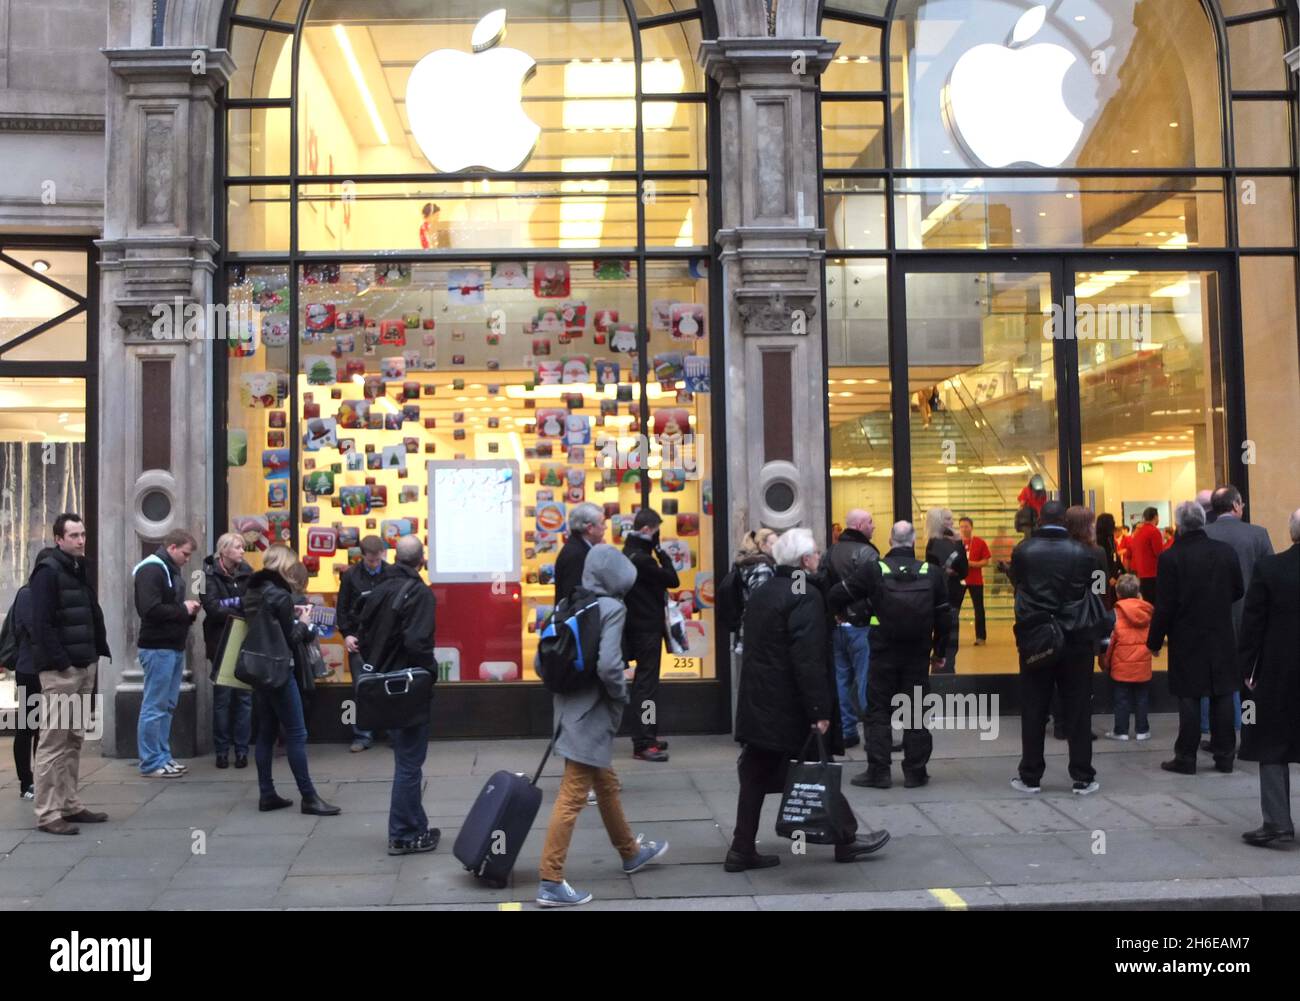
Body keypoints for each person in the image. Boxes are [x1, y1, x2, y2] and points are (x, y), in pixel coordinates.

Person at [729, 528, 889, 871]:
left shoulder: (765, 591)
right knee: (813, 768)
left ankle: (742, 849)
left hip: (760, 700)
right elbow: (808, 658)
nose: (820, 558)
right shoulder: (805, 595)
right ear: (805, 560)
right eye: (815, 553)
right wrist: (819, 709)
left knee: (761, 773)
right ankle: (845, 839)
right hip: (789, 704)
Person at [536, 544, 670, 906]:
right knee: (572, 796)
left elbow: (541, 661)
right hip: (590, 716)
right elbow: (610, 666)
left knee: (606, 784)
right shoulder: (612, 609)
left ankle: (630, 851)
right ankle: (551, 879)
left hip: (567, 711)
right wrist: (620, 693)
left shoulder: (570, 604)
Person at [832, 521, 951, 789]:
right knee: (916, 711)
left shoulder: (875, 570)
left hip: (883, 652)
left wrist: (849, 614)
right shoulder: (931, 573)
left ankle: (879, 771)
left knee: (878, 711)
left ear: (890, 540)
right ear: (913, 541)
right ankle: (916, 772)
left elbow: (837, 593)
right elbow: (945, 618)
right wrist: (940, 651)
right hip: (918, 654)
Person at [27, 514, 112, 834]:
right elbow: (42, 624)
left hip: (83, 665)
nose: (81, 540)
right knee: (53, 741)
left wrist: (92, 657)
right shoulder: (48, 573)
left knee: (74, 738)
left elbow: (88, 615)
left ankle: (69, 803)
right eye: (74, 535)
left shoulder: (77, 569)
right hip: (61, 671)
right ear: (58, 539)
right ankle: (48, 813)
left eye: (83, 533)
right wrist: (63, 663)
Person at [1009, 500, 1100, 795]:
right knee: (1077, 706)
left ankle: (1031, 774)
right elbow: (1087, 588)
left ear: (1039, 520)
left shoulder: (1024, 551)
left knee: (1034, 707)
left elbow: (1018, 582)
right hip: (1075, 635)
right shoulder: (1083, 553)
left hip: (1038, 635)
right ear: (1064, 520)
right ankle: (1082, 775)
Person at [1147, 501, 1244, 776]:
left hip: (1186, 635)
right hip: (1222, 633)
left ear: (1179, 524)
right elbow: (1238, 589)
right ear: (1203, 521)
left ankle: (1186, 757)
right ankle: (1225, 755)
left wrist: (1154, 642)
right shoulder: (1225, 552)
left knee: (1189, 696)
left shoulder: (1170, 558)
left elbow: (1164, 605)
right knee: (1223, 693)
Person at [242, 545, 340, 816]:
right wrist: (305, 622)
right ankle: (309, 797)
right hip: (281, 671)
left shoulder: (252, 592)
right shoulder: (280, 595)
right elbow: (291, 638)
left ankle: (267, 793)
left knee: (266, 733)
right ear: (286, 567)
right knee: (297, 733)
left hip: (259, 670)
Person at [358, 535, 440, 855]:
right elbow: (418, 642)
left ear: (395, 557)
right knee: (409, 762)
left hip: (382, 683)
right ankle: (404, 834)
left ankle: (416, 825)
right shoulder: (419, 594)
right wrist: (428, 672)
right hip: (407, 684)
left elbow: (362, 632)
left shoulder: (378, 590)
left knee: (405, 759)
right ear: (421, 560)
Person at [1237, 509, 1300, 846]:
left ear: (1292, 534)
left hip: (1279, 673)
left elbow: (1253, 625)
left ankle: (1277, 821)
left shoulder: (1271, 568)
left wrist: (1247, 670)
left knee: (1272, 746)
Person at [1202, 484, 1274, 743]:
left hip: (1211, 621)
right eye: (1241, 504)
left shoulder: (1202, 535)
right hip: (1250, 617)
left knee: (1217, 684)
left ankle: (1219, 736)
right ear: (1235, 505)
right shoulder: (1258, 535)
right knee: (1250, 679)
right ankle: (1250, 729)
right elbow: (1269, 577)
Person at [133, 529, 200, 779]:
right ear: (172, 547)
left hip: (171, 646)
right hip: (157, 647)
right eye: (185, 553)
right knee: (155, 706)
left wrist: (186, 612)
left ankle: (163, 756)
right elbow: (149, 609)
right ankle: (151, 761)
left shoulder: (169, 569)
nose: (186, 559)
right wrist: (183, 609)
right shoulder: (151, 569)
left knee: (166, 705)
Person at [621, 507, 679, 762]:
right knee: (646, 686)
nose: (658, 536)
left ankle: (648, 735)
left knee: (645, 685)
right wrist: (661, 552)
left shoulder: (629, 553)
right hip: (646, 628)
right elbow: (672, 579)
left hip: (638, 626)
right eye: (656, 531)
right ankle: (643, 741)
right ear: (647, 530)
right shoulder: (643, 559)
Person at [818, 509, 879, 749]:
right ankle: (875, 732)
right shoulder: (868, 553)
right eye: (871, 522)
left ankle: (846, 730)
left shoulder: (830, 552)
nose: (874, 526)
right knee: (867, 680)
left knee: (841, 680)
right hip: (861, 626)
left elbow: (822, 584)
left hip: (837, 625)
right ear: (860, 525)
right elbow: (877, 590)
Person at [201, 532, 253, 769]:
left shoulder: (248, 572)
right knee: (222, 699)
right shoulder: (205, 574)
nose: (243, 551)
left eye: (243, 547)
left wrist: (229, 605)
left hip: (243, 640)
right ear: (224, 550)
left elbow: (253, 602)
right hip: (220, 642)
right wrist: (238, 604)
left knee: (244, 698)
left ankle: (242, 750)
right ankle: (222, 751)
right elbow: (211, 608)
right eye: (238, 547)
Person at [337, 536, 390, 753]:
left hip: (385, 638)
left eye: (378, 560)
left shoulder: (391, 572)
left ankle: (392, 731)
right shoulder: (350, 576)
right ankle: (361, 735)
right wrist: (347, 635)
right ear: (363, 556)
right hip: (359, 637)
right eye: (371, 561)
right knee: (360, 689)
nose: (375, 564)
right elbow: (342, 608)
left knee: (389, 686)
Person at [1101, 575, 1153, 741]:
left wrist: (1105, 662)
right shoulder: (1148, 612)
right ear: (1138, 592)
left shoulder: (1113, 615)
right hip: (1143, 665)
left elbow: (1108, 644)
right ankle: (1142, 730)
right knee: (1142, 698)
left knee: (1121, 699)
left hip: (1121, 666)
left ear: (1118, 593)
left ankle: (1121, 730)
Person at [924, 508, 967, 674]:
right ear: (940, 522)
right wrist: (959, 543)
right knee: (948, 639)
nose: (952, 522)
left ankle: (942, 667)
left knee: (944, 636)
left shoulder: (934, 543)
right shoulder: (943, 543)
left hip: (942, 595)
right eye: (948, 519)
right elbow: (963, 569)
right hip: (948, 596)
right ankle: (945, 672)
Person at [725, 528, 777, 653]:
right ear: (762, 545)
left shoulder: (747, 564)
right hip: (758, 630)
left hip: (746, 626)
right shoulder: (762, 568)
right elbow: (762, 603)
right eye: (774, 544)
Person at [8, 585, 38, 799]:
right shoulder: (28, 594)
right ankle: (26, 782)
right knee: (27, 727)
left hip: (40, 668)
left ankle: (41, 778)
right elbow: (33, 629)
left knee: (44, 729)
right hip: (29, 669)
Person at [555, 502, 605, 606]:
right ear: (590, 528)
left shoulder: (578, 548)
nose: (605, 527)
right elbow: (574, 598)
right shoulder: (577, 555)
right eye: (602, 523)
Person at [959, 517, 991, 645]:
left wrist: (972, 564)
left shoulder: (979, 542)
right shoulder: (956, 542)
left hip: (976, 580)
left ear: (971, 527)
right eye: (961, 526)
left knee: (979, 609)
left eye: (966, 526)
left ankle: (981, 637)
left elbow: (986, 561)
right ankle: (952, 636)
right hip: (960, 580)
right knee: (954, 609)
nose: (964, 529)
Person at [1129, 507, 1164, 603]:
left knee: (1145, 602)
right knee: (1153, 603)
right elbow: (1159, 554)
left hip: (1140, 573)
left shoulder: (1138, 532)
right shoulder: (1154, 531)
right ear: (1156, 517)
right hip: (1152, 573)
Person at [1095, 513, 1124, 609]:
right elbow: (1100, 561)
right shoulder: (1098, 540)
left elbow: (1115, 556)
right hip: (1102, 577)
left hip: (1113, 576)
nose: (1114, 523)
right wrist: (1109, 577)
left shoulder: (1110, 538)